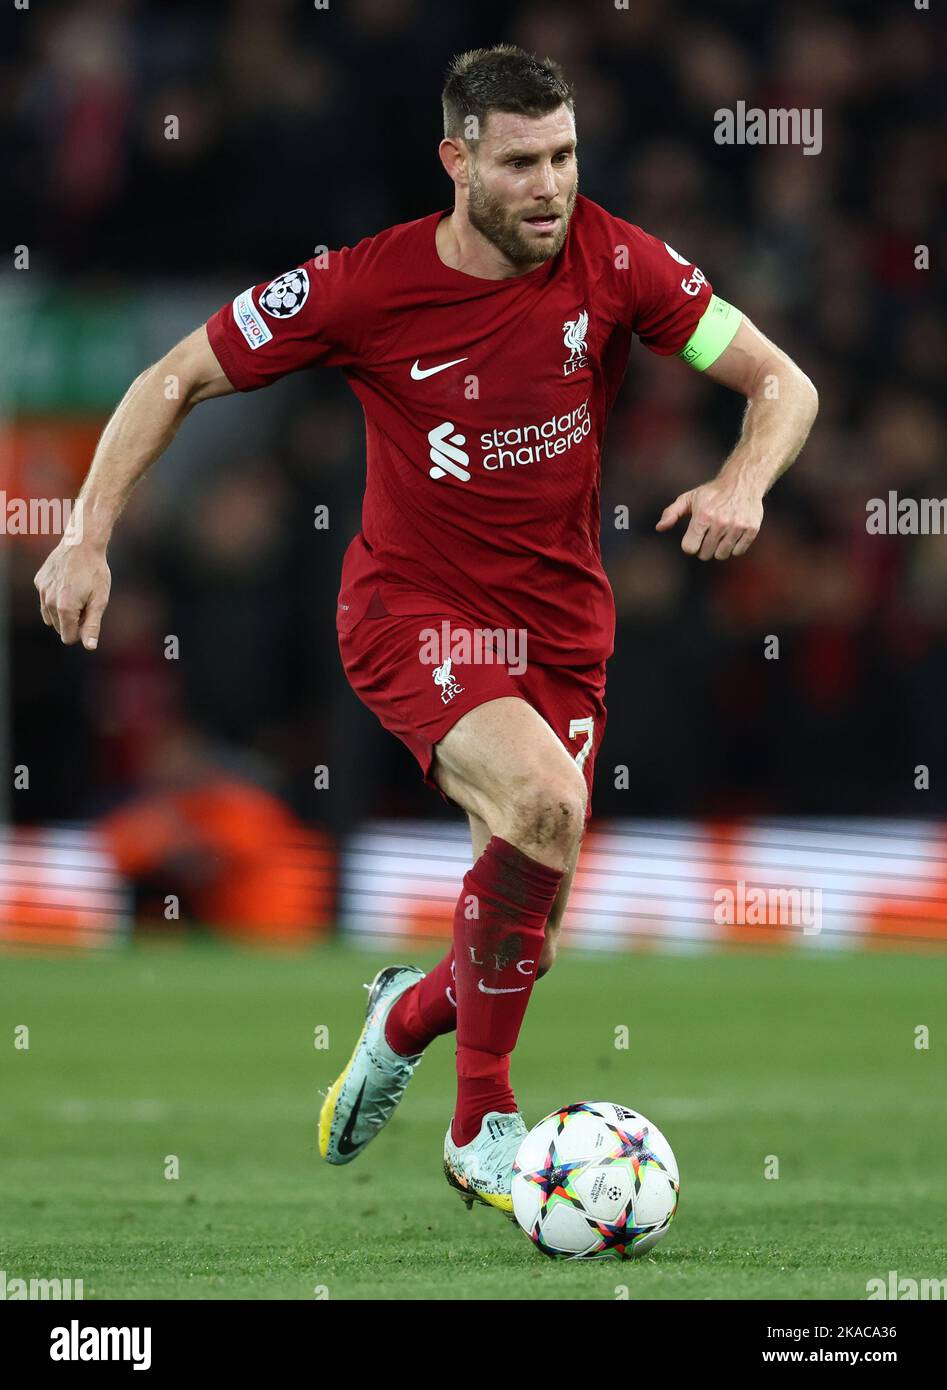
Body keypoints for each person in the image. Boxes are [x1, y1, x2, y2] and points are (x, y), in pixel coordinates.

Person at [34, 45, 818, 1214]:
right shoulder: (361, 285)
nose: (549, 186)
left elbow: (780, 384)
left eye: (561, 157)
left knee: (524, 936)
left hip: (561, 631)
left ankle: (402, 1015)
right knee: (545, 807)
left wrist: (742, 484)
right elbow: (173, 376)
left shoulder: (614, 257)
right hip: (414, 613)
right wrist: (86, 532)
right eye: (518, 164)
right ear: (456, 162)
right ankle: (479, 1124)